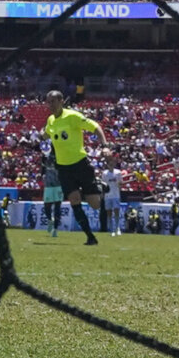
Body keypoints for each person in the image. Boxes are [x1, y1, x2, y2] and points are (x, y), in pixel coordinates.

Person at [41, 90, 105, 246]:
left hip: (80, 164)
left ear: (62, 101)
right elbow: (47, 133)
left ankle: (101, 188)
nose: (51, 105)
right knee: (74, 201)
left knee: (95, 204)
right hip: (63, 168)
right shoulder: (51, 120)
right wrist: (42, 136)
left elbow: (95, 127)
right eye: (48, 102)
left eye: (54, 102)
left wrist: (105, 146)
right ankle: (90, 237)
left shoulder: (72, 116)